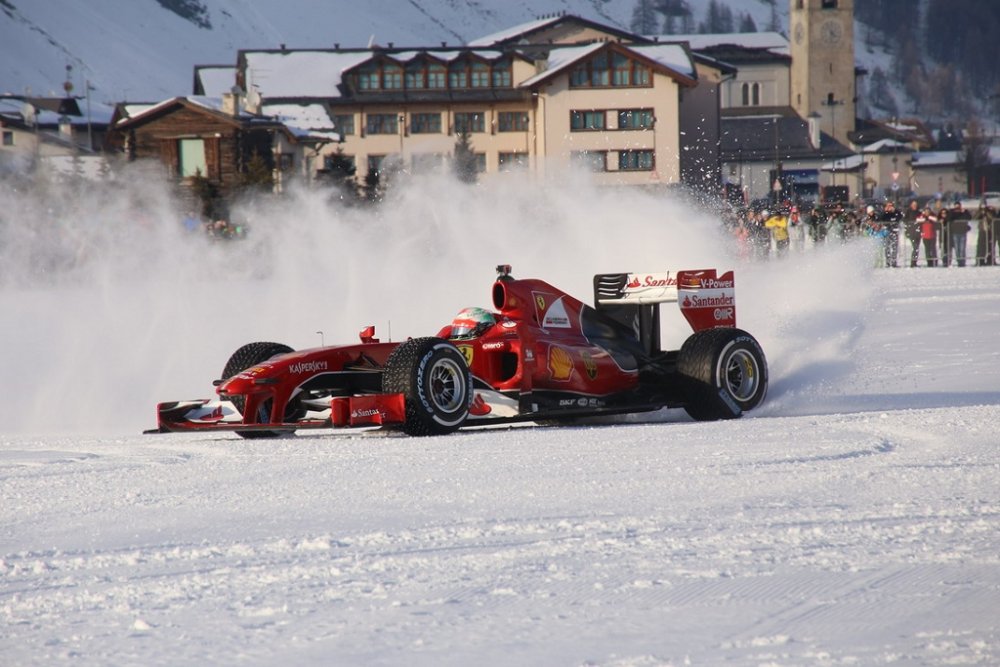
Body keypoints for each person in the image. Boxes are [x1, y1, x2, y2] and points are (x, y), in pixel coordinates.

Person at [879, 200, 904, 267]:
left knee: (894, 248)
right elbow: (880, 218)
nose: (890, 207)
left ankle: (894, 262)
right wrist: (885, 211)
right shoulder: (885, 213)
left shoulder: (896, 213)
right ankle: (888, 262)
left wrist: (895, 211)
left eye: (891, 206)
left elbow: (900, 217)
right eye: (888, 206)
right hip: (887, 232)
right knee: (887, 247)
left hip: (894, 231)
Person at [948, 201, 972, 267]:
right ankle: (959, 261)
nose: (957, 208)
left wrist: (964, 212)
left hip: (963, 232)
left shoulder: (964, 212)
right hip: (955, 232)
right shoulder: (951, 212)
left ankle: (962, 262)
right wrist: (954, 212)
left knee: (962, 248)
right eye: (956, 206)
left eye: (958, 206)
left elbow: (969, 217)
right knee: (956, 248)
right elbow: (949, 218)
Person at [902, 200, 922, 267]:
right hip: (911, 232)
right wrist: (911, 222)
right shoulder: (908, 212)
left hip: (918, 232)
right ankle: (913, 262)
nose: (914, 206)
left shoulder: (919, 212)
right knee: (915, 247)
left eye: (915, 204)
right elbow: (904, 220)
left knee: (917, 248)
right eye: (913, 204)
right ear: (911, 205)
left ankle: (914, 262)